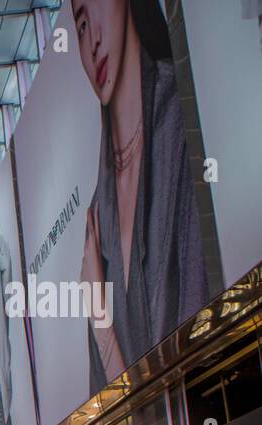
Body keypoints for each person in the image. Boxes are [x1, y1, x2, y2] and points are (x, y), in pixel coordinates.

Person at [74, 0, 206, 391]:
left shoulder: (183, 125)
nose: (93, 39)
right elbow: (108, 410)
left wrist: (101, 319)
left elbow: (192, 368)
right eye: (80, 25)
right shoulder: (100, 214)